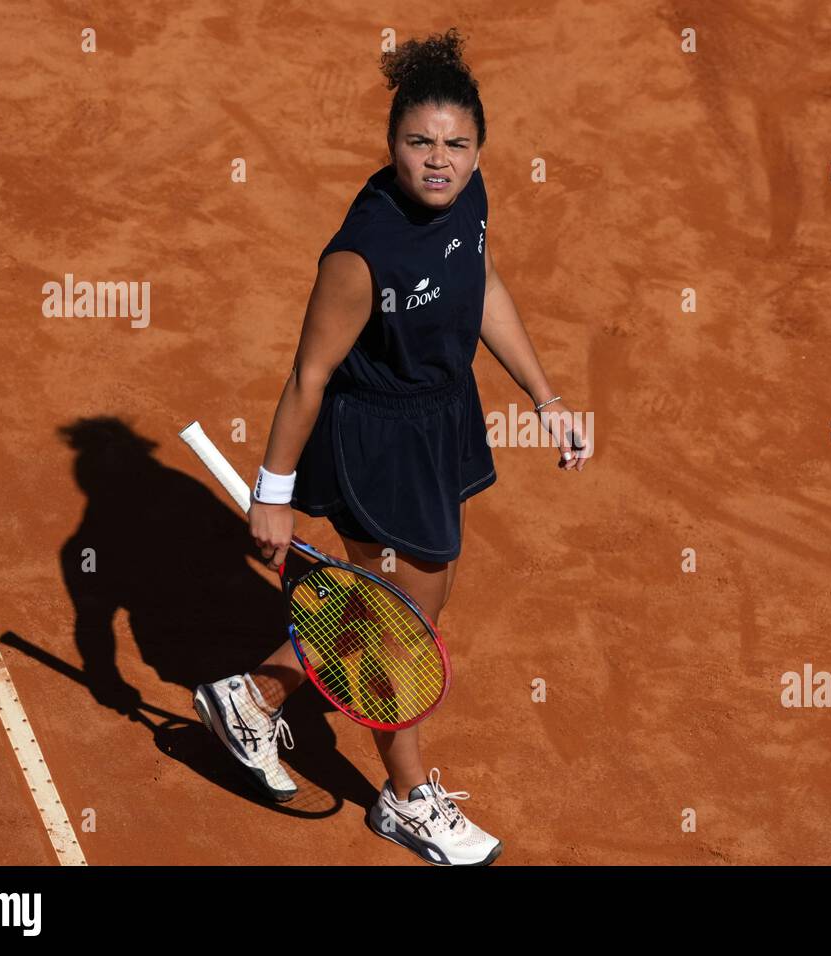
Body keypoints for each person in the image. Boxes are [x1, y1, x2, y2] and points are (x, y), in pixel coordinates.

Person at [192, 28, 589, 866]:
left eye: (456, 144)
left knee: (389, 610)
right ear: (391, 145)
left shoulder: (469, 201)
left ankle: (256, 698)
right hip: (376, 438)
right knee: (405, 626)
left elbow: (479, 285)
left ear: (479, 150)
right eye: (419, 143)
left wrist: (544, 395)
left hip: (439, 417)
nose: (438, 161)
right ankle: (406, 800)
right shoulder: (360, 253)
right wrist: (273, 491)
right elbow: (308, 374)